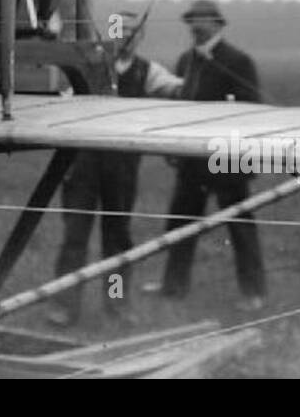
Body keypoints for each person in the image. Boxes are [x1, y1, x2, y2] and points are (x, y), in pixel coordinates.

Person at [45, 31, 193, 330]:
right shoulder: (89, 66)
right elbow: (61, 96)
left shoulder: (147, 71)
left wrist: (197, 77)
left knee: (117, 238)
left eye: (130, 33)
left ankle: (117, 304)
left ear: (138, 39)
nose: (124, 38)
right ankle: (63, 307)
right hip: (83, 162)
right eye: (118, 31)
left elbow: (179, 89)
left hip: (122, 166)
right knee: (75, 237)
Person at [142, 0, 267, 311]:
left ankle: (253, 293)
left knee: (239, 227)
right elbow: (178, 108)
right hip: (192, 161)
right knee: (180, 224)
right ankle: (173, 286)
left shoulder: (238, 61)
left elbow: (252, 109)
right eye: (191, 21)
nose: (195, 27)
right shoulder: (186, 61)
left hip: (228, 160)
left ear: (217, 24)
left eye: (202, 21)